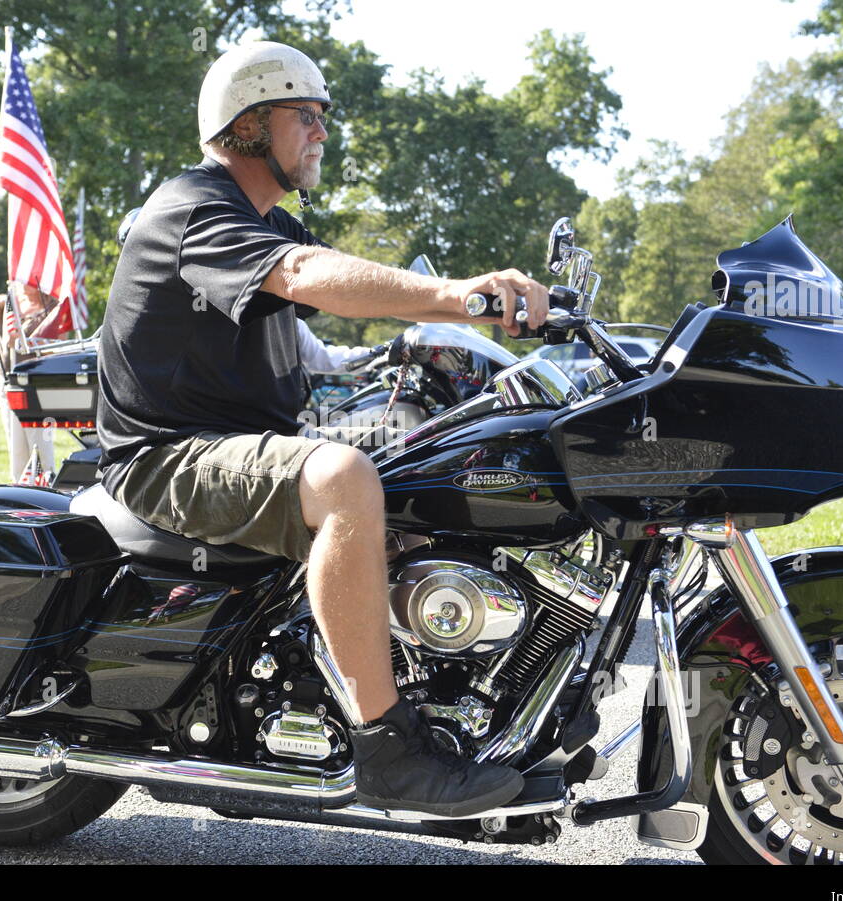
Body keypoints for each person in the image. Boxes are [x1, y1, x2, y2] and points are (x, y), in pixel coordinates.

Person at [97, 40, 550, 817]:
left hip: (230, 447)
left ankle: (473, 720)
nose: (322, 132)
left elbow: (333, 302)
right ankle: (389, 749)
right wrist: (460, 295)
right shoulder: (195, 206)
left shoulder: (260, 220)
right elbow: (308, 275)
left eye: (323, 118)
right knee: (344, 479)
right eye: (305, 116)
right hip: (164, 458)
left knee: (427, 465)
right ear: (246, 124)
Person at [0, 283, 64, 481]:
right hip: (8, 382)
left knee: (41, 448)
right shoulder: (8, 306)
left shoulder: (52, 307)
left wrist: (24, 342)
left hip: (39, 384)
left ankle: (45, 490)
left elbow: (60, 347)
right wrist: (4, 300)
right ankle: (20, 491)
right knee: (16, 448)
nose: (24, 285)